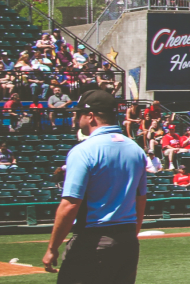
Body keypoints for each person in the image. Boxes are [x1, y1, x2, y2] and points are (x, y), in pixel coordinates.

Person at [44, 89, 148, 279]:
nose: (76, 119)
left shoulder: (83, 151)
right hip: (127, 241)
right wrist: (130, 236)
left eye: (78, 114)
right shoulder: (136, 150)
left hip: (93, 241)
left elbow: (70, 205)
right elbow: (140, 199)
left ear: (90, 116)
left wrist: (52, 247)